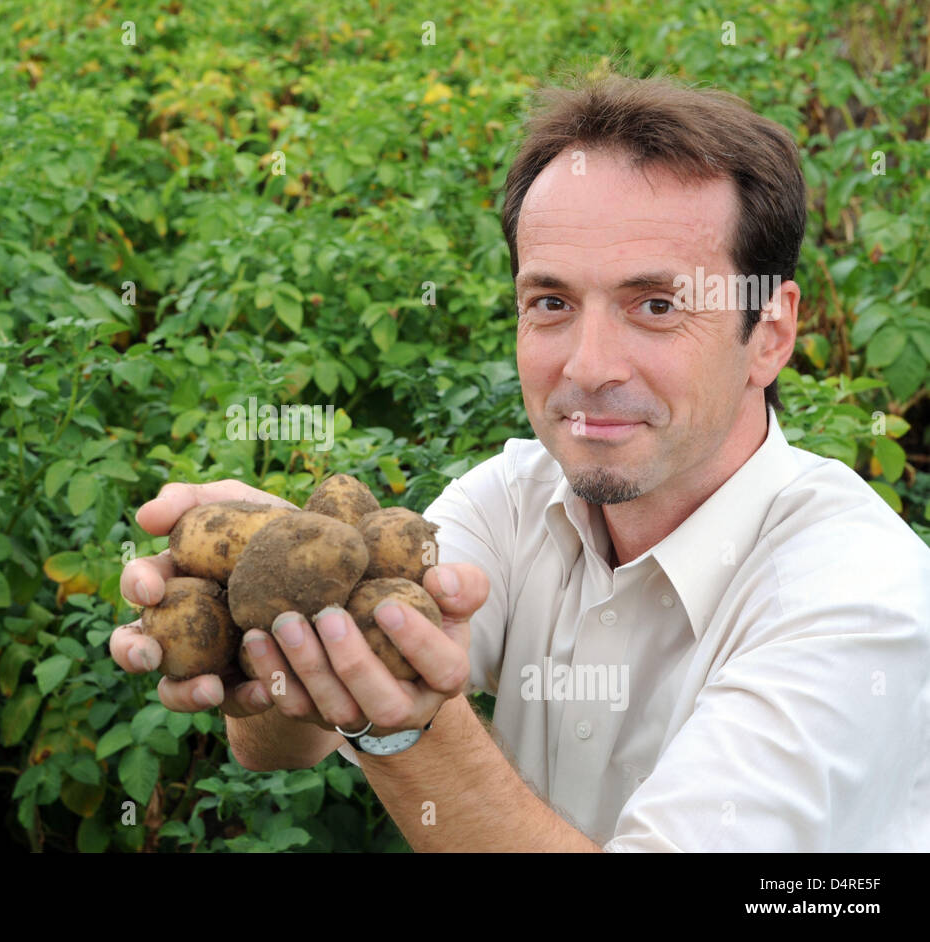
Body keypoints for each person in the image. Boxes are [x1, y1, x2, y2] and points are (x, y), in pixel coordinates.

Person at [109, 74, 930, 851]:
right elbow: (284, 745)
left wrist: (411, 732)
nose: (589, 365)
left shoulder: (859, 598)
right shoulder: (512, 498)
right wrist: (264, 624)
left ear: (772, 334)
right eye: (551, 302)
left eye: (656, 305)